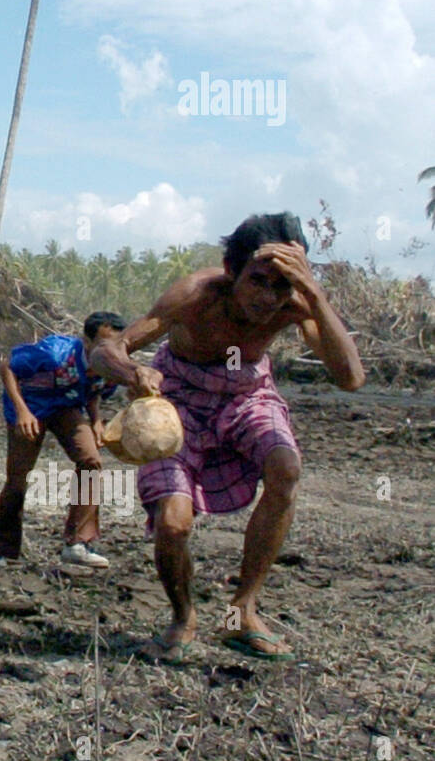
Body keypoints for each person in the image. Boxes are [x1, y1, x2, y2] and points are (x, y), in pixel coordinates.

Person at [90, 213, 364, 661]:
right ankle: (183, 618)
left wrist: (312, 290)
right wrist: (132, 371)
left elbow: (351, 377)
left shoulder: (295, 303)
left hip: (247, 395)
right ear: (231, 270)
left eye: (282, 284)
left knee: (286, 468)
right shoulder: (197, 294)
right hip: (178, 398)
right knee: (174, 522)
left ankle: (243, 610)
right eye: (257, 281)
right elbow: (106, 349)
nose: (268, 297)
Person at [0, 311, 126, 569]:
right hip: (31, 405)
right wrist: (22, 411)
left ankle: (77, 543)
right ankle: (1, 547)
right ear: (87, 341)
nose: (111, 351)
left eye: (117, 345)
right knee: (18, 478)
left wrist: (96, 419)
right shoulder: (54, 354)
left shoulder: (111, 365)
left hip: (66, 407)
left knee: (91, 461)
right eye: (104, 345)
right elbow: (7, 366)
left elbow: (94, 390)